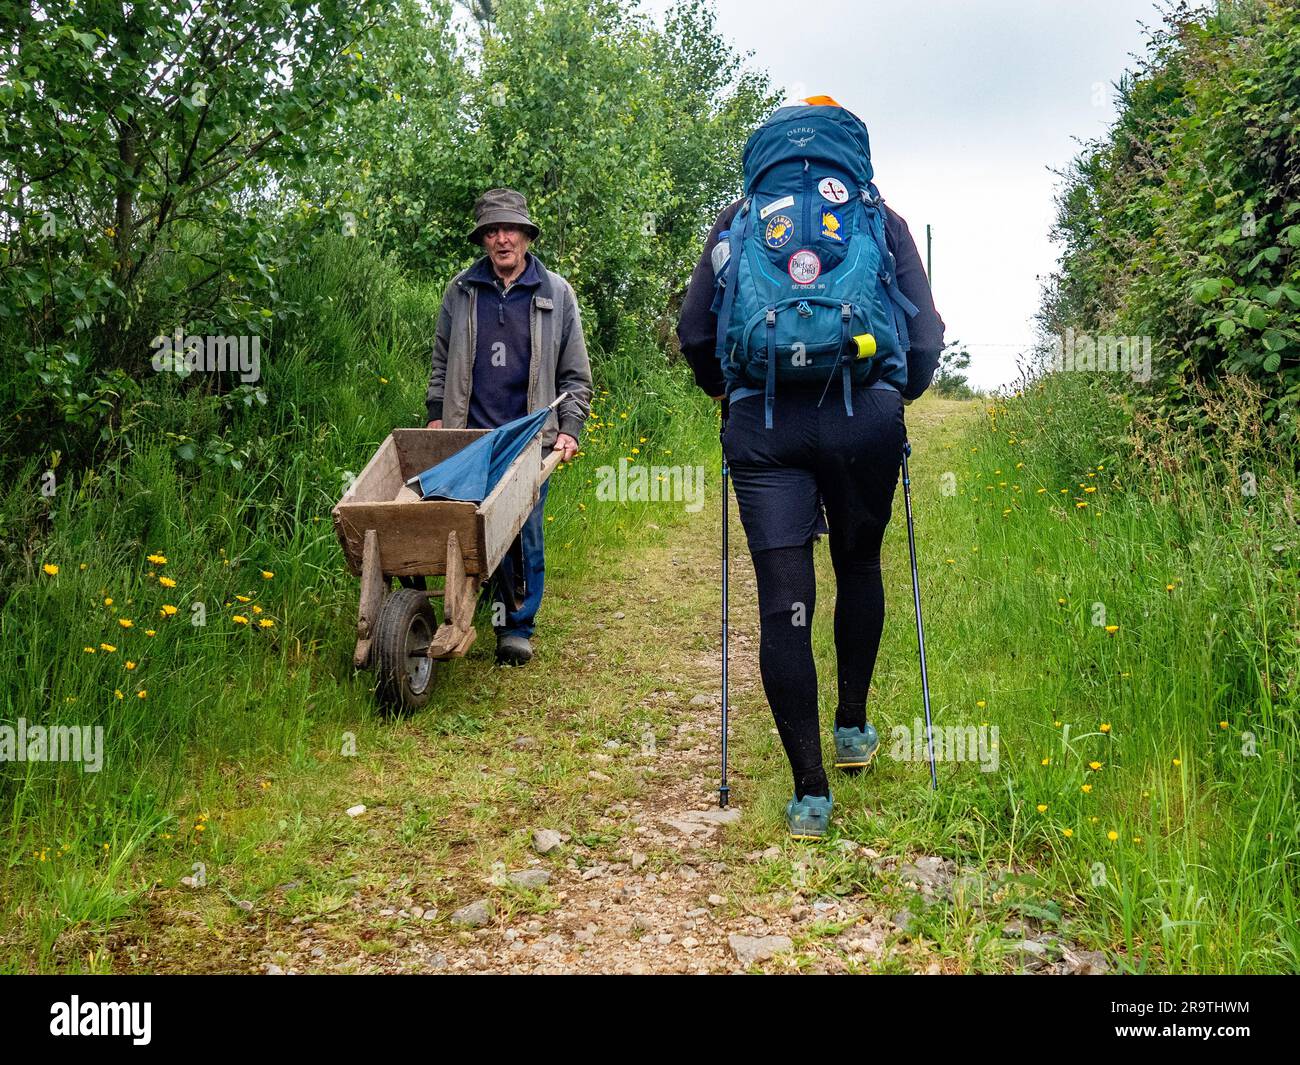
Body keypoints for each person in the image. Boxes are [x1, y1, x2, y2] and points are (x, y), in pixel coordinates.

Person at [676, 97, 945, 837]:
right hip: (864, 416)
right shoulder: (875, 215)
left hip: (765, 424)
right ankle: (852, 727)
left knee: (782, 600)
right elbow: (925, 337)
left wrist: (727, 392)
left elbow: (696, 331)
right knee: (860, 565)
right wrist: (897, 393)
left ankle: (810, 794)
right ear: (849, 146)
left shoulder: (737, 222)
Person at [426, 187, 592, 665]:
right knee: (467, 527)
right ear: (483, 239)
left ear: (525, 235)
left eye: (510, 229)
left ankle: (515, 626)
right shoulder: (460, 290)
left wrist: (569, 429)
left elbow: (576, 374)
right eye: (492, 231)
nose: (502, 239)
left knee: (523, 532)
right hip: (470, 434)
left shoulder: (555, 293)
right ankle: (462, 613)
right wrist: (437, 416)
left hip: (530, 437)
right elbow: (441, 361)